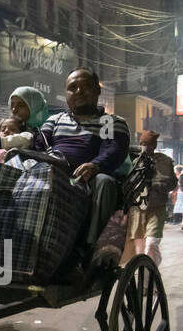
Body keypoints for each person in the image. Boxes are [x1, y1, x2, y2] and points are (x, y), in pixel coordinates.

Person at [34, 68, 129, 253]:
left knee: (104, 182)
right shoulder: (54, 120)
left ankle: (85, 248)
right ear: (66, 93)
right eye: (73, 87)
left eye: (86, 86)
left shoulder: (108, 122)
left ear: (97, 91)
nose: (79, 91)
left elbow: (112, 148)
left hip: (88, 179)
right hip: (54, 173)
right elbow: (40, 145)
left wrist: (95, 165)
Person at [123, 130, 176, 265]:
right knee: (139, 250)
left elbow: (172, 183)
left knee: (151, 244)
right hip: (137, 210)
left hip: (157, 209)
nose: (144, 147)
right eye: (142, 143)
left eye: (147, 144)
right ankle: (144, 279)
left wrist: (156, 183)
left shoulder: (164, 161)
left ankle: (151, 275)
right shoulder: (133, 159)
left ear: (154, 146)